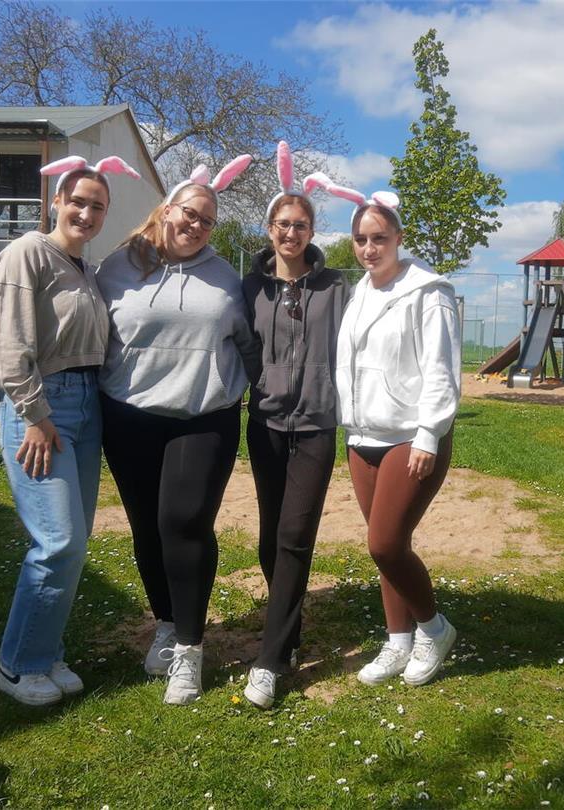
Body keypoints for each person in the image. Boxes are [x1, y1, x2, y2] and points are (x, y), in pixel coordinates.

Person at [95, 156, 260, 705]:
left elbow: (250, 345)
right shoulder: (116, 267)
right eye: (189, 213)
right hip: (129, 414)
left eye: (207, 220)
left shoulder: (226, 279)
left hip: (203, 417)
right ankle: (165, 623)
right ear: (166, 211)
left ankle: (190, 649)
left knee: (183, 522)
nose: (197, 225)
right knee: (146, 527)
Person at [0, 154, 141, 706]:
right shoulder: (28, 253)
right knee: (58, 540)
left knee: (75, 540)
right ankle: (17, 664)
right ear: (56, 201)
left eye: (98, 205)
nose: (87, 212)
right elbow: (5, 344)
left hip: (86, 404)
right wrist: (35, 416)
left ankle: (45, 653)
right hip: (43, 407)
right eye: (78, 201)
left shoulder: (86, 270)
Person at [330, 182, 461, 687]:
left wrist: (429, 433)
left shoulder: (428, 291)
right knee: (390, 542)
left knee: (384, 545)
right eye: (360, 239)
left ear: (398, 237)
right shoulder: (359, 291)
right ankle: (398, 642)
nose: (368, 249)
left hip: (410, 435)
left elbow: (441, 370)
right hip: (363, 436)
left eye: (379, 238)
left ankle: (435, 629)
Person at [240, 144, 349, 709]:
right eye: (282, 224)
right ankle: (291, 622)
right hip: (263, 424)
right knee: (268, 533)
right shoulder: (250, 288)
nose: (291, 233)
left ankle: (271, 660)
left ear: (311, 230)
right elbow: (236, 347)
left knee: (294, 534)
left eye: (300, 225)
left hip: (314, 427)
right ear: (269, 228)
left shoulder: (334, 289)